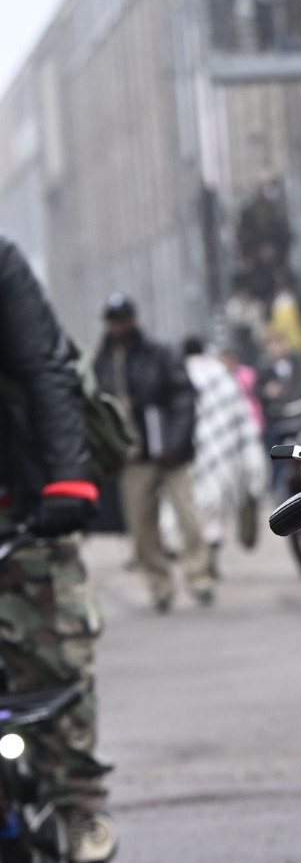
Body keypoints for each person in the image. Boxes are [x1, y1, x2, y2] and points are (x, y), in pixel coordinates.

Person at [0, 239, 118, 862]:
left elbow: (46, 368)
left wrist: (67, 482)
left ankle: (75, 805)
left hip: (17, 505)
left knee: (54, 648)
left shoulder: (0, 262)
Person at [93, 295, 212, 612]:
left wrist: (175, 443)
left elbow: (183, 399)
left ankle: (199, 578)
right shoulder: (104, 360)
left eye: (123, 320)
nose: (118, 327)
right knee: (141, 526)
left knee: (188, 517)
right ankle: (159, 585)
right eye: (113, 321)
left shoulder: (159, 353)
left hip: (169, 452)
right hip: (133, 456)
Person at [182, 338, 269, 573]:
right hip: (222, 451)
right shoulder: (223, 378)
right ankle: (210, 553)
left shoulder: (178, 374)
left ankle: (197, 555)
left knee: (192, 505)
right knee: (216, 505)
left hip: (186, 452)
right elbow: (242, 417)